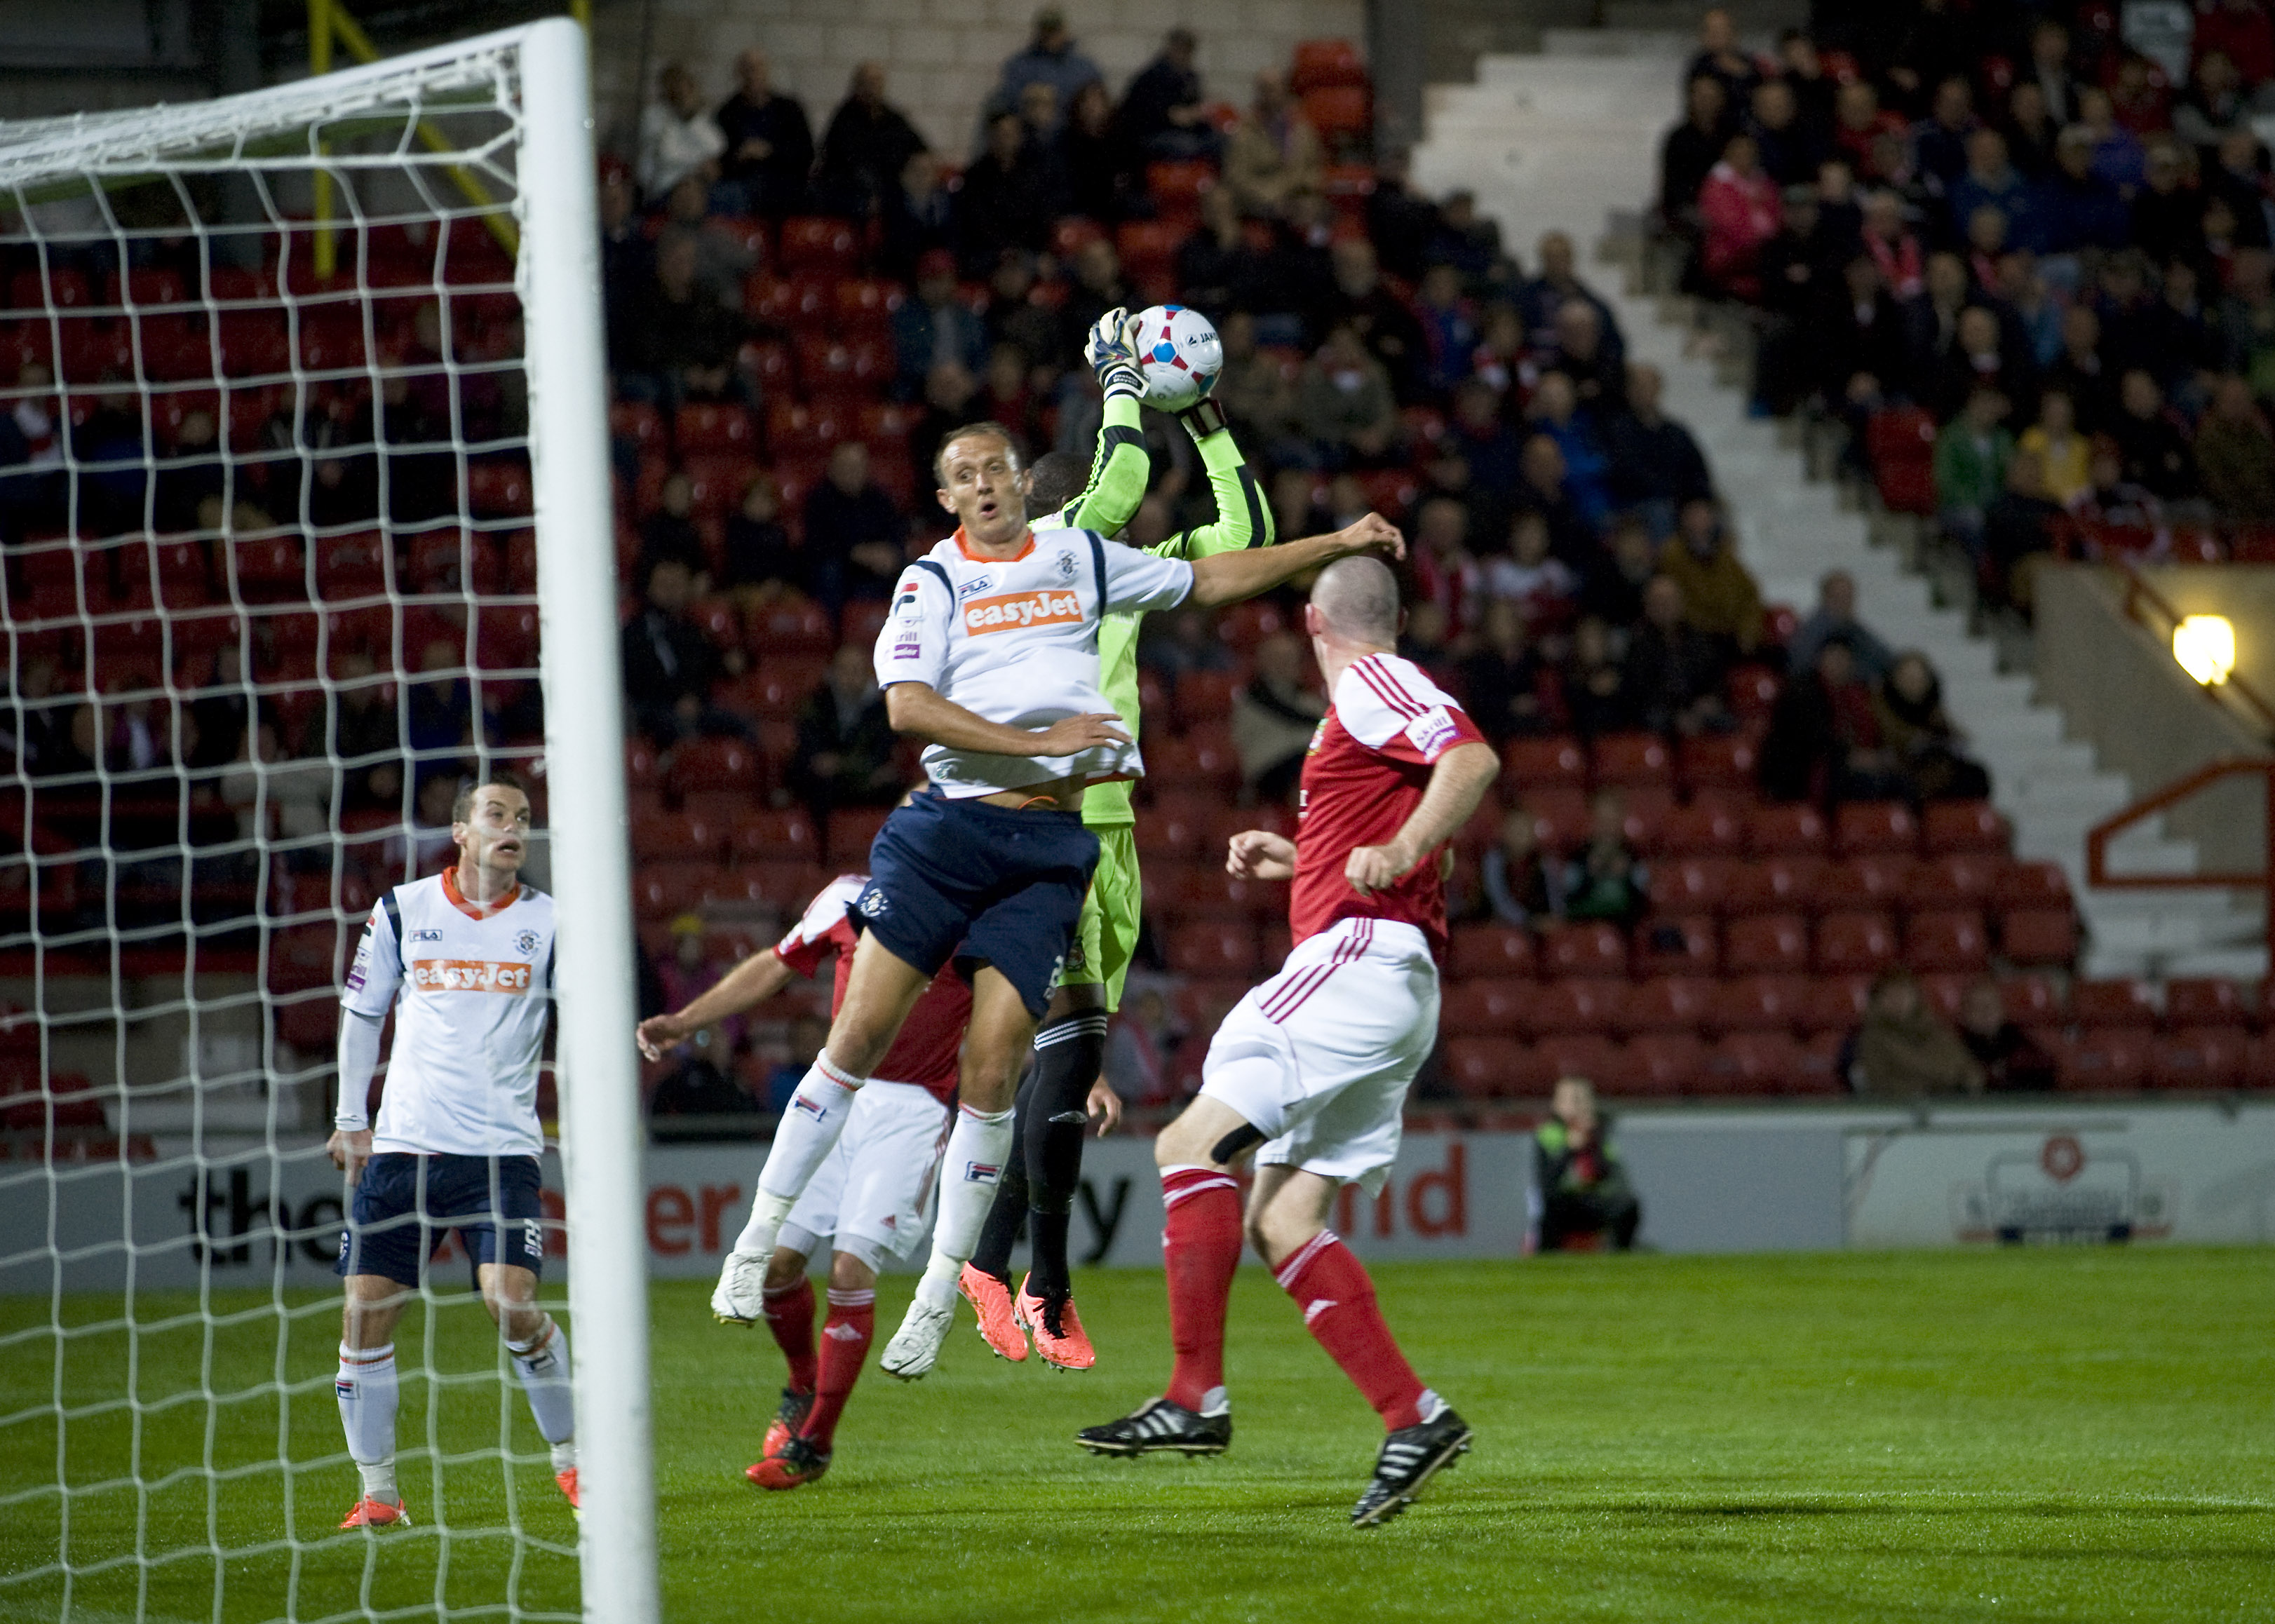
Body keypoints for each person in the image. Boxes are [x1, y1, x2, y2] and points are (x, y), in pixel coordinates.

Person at [708, 412, 1405, 1385]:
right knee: (856, 1039)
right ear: (947, 496)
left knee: (996, 1071)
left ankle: (944, 1291)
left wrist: (1336, 541)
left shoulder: (1079, 558)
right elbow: (906, 706)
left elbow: (1209, 579)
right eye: (965, 475)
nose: (984, 484)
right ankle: (755, 1242)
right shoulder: (932, 581)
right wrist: (1040, 744)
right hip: (949, 832)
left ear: (1022, 483)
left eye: (996, 467)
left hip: (1050, 849)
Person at [1076, 553, 1497, 1528]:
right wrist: (1303, 860)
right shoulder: (1363, 706)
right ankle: (1414, 1417)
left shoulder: (1375, 679)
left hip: (1357, 960)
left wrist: (1405, 846)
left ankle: (1194, 1397)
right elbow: (1392, 835)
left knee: (1187, 1146)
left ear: (1314, 620)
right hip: (1388, 977)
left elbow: (1471, 761)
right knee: (1285, 1221)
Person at [964, 313, 1278, 1370]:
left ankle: (1008, 1269)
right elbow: (1124, 481)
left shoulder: (1118, 566)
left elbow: (1245, 535)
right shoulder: (1043, 561)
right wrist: (1126, 384)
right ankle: (1020, 1274)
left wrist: (1211, 424)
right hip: (1052, 815)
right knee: (1060, 1058)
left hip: (1114, 823)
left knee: (1071, 1063)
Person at [636, 873, 973, 1490]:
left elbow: (1021, 1002)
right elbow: (777, 962)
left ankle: (815, 1441)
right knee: (776, 1267)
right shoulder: (852, 897)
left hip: (912, 1111)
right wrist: (686, 1020)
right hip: (836, 1093)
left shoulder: (977, 913)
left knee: (851, 1270)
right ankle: (802, 1381)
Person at [325, 776, 574, 1529]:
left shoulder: (553, 921)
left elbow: (584, 1023)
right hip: (403, 1148)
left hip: (500, 1154)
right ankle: (379, 1494)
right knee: (365, 1317)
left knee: (512, 1304)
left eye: (523, 817)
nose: (513, 826)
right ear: (461, 831)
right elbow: (363, 1012)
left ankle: (574, 1463)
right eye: (496, 814)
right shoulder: (404, 909)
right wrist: (351, 1118)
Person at [790, 643, 903, 817]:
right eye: (845, 670)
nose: (851, 677)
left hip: (867, 781)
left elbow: (881, 755)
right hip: (829, 783)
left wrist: (842, 765)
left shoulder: (882, 710)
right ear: (833, 673)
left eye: (857, 670)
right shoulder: (817, 705)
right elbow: (814, 755)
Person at [1532, 1077, 1640, 1252]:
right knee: (1551, 1210)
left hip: (1593, 1200)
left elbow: (1608, 1173)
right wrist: (1569, 1149)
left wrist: (1593, 1141)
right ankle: (1546, 1255)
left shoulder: (1599, 1135)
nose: (1578, 1107)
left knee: (1628, 1205)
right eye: (1572, 1100)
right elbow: (1547, 1184)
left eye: (1582, 1100)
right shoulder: (1548, 1135)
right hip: (1563, 1203)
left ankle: (1620, 1254)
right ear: (1557, 1105)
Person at [1605, 363, 1712, 536]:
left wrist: (1697, 502)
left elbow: (1697, 472)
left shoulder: (1677, 433)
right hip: (1635, 504)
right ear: (1628, 391)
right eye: (1638, 387)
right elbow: (1627, 473)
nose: (1644, 392)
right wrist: (1669, 492)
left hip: (1676, 500)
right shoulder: (1617, 431)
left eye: (1649, 386)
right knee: (1660, 512)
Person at [1873, 651, 1990, 802]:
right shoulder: (1880, 709)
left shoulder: (1934, 713)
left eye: (1919, 679)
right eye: (1907, 678)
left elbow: (1958, 740)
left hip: (1936, 768)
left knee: (1974, 775)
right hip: (1900, 769)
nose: (1913, 684)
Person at [1847, 969, 1983, 1098]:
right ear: (1878, 1000)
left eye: (1904, 993)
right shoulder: (1872, 1039)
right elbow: (1880, 1083)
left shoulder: (1938, 1032)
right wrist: (1933, 1082)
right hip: (1901, 1108)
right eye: (1891, 994)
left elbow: (1967, 1070)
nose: (1899, 1000)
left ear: (1916, 998)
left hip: (1950, 1106)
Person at [1655, 496, 1762, 659]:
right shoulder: (1673, 556)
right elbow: (1679, 604)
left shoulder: (1724, 554)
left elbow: (1750, 595)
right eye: (1694, 514)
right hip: (1696, 639)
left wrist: (1747, 631)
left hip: (1732, 636)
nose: (1699, 519)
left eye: (1704, 513)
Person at [816, 63, 926, 219]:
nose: (873, 87)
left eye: (877, 81)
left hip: (890, 190)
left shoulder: (892, 118)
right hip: (852, 190)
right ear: (857, 85)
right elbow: (847, 164)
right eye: (868, 81)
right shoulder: (845, 119)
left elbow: (920, 148)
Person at [715, 49, 813, 217]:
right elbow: (719, 160)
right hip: (743, 182)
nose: (753, 73)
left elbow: (805, 153)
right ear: (739, 74)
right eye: (747, 68)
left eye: (758, 67)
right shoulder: (727, 113)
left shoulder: (790, 109)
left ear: (767, 71)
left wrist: (769, 151)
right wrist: (741, 155)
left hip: (784, 181)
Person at [1230, 632, 1325, 804]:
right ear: (1267, 663)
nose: (1293, 664)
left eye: (1295, 658)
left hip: (1302, 762)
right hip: (1269, 770)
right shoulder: (1254, 700)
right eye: (1285, 658)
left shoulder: (1307, 699)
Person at [1223, 71, 1324, 221]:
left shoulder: (1302, 129)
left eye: (1273, 88)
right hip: (1261, 199)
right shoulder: (1245, 132)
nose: (1269, 94)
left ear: (1285, 90)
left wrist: (1302, 187)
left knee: (1315, 210)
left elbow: (1315, 168)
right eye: (1264, 89)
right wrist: (1270, 194)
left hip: (1297, 196)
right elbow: (1237, 177)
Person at [985, 6, 1101, 136]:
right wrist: (1031, 105)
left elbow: (1099, 103)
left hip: (1074, 138)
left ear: (1065, 30)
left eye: (1055, 30)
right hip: (1030, 137)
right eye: (1046, 30)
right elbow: (1008, 102)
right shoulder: (1019, 66)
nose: (1050, 36)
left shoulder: (1085, 68)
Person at [1120, 28, 1215, 161]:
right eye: (1180, 49)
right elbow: (1174, 115)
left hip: (1177, 131)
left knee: (1216, 140)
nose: (1183, 55)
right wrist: (1194, 113)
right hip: (1150, 133)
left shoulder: (1189, 76)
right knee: (1187, 146)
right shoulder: (1153, 76)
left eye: (1187, 51)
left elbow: (1195, 107)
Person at [1786, 569, 1893, 682]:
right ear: (1825, 597)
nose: (1844, 602)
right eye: (1838, 596)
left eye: (1848, 597)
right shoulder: (1810, 632)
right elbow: (1800, 664)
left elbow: (1885, 659)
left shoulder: (1856, 630)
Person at [637, 62, 724, 202]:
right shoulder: (653, 116)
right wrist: (698, 165)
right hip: (666, 185)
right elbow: (666, 154)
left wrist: (690, 116)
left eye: (682, 86)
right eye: (673, 86)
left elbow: (717, 147)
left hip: (698, 184)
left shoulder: (698, 116)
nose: (679, 92)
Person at [1561, 789, 1649, 926]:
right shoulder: (1579, 856)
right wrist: (1588, 874)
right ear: (1593, 821)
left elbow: (1643, 900)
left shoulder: (1632, 856)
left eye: (1612, 821)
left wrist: (1627, 875)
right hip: (1587, 926)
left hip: (1625, 927)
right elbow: (1568, 897)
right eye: (1602, 821)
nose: (1607, 827)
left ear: (1621, 821)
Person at [1955, 979, 2058, 1092]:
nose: (1986, 1013)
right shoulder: (1955, 1045)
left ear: (2002, 1010)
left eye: (1991, 1006)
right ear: (1963, 1014)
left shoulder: (2016, 1039)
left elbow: (2044, 1069)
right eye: (1977, 1007)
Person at [1481, 805, 1559, 927]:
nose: (1519, 834)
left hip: (1538, 923)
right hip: (1503, 924)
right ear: (1504, 832)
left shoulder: (1544, 862)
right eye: (1514, 829)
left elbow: (1554, 897)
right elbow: (1499, 902)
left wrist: (1553, 919)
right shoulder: (1494, 861)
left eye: (1524, 829)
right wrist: (1529, 920)